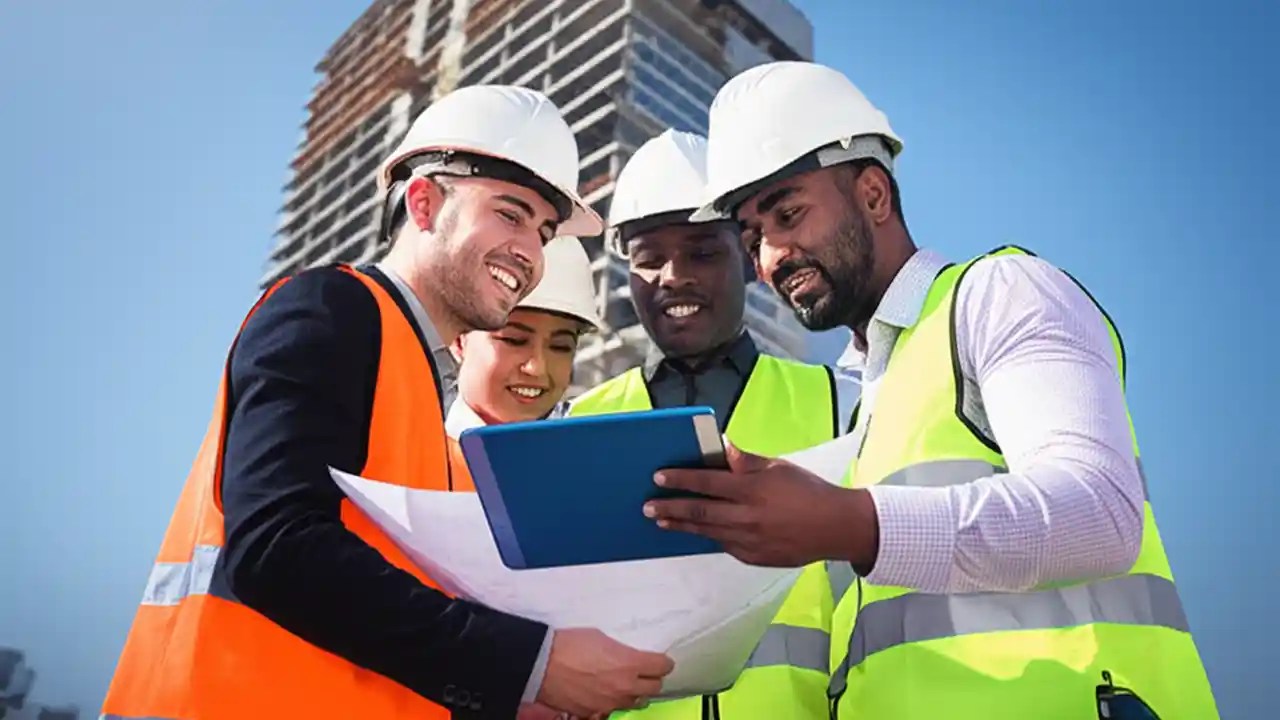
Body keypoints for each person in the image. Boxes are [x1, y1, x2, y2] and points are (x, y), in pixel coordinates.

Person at [643, 61, 1219, 719]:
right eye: (753, 237)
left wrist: (849, 522)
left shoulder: (1000, 295)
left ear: (874, 195)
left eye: (789, 213)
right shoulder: (862, 404)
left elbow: (1100, 511)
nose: (773, 255)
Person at [101, 84, 673, 720]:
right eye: (511, 214)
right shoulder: (331, 312)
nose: (532, 253)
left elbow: (389, 618)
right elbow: (277, 549)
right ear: (423, 202)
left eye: (542, 231)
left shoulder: (418, 382)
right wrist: (532, 663)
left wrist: (514, 692)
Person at [569, 129, 859, 720]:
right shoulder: (578, 422)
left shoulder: (840, 403)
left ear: (751, 261)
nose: (673, 276)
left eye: (702, 252)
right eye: (649, 259)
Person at [445, 234, 602, 441]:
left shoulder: (591, 458)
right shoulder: (406, 450)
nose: (536, 368)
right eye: (514, 340)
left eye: (560, 346)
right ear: (459, 340)